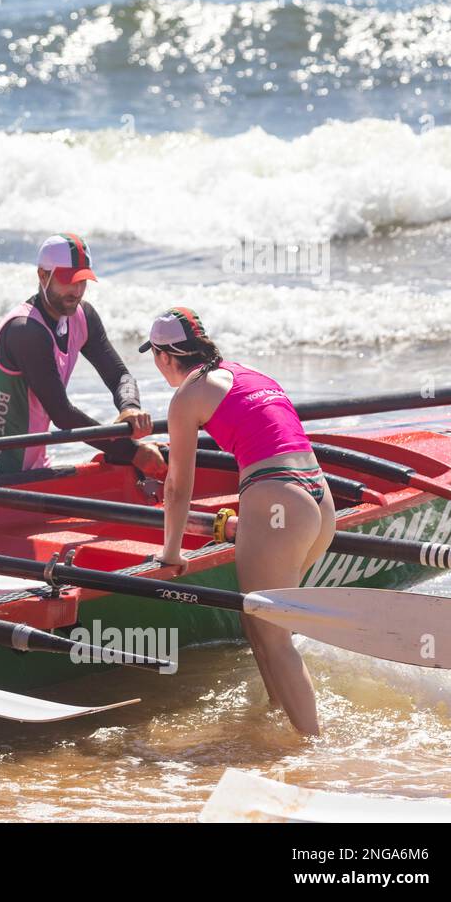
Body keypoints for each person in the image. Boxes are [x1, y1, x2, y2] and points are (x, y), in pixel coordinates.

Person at [142, 307, 335, 736]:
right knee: (258, 620)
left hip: (280, 502)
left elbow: (177, 488)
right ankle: (275, 713)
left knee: (272, 633)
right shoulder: (250, 373)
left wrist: (170, 553)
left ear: (163, 356)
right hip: (321, 504)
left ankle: (313, 749)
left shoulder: (187, 396)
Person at [0, 234, 166, 483]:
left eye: (82, 282)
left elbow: (119, 375)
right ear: (43, 276)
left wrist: (130, 407)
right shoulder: (25, 331)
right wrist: (132, 452)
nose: (77, 291)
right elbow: (62, 415)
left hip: (35, 468)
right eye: (68, 281)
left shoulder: (83, 317)